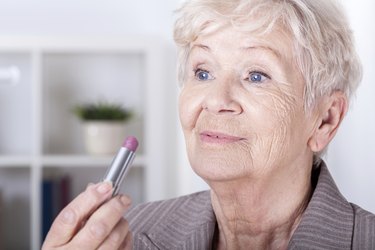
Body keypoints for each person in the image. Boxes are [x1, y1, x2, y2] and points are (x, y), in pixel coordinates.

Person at [42, 0, 375, 249]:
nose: (216, 100)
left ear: (325, 120)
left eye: (256, 76)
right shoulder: (132, 234)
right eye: (203, 72)